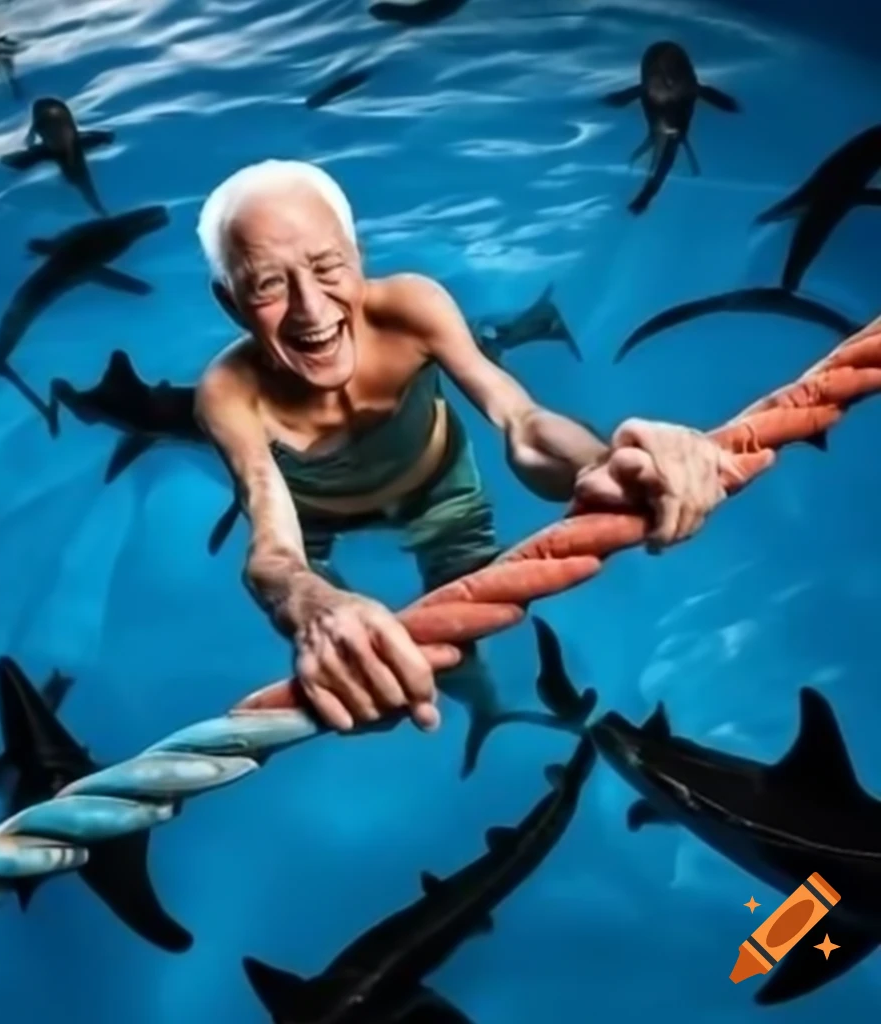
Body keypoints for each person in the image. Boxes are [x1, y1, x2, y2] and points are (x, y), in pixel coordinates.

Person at [193, 159, 746, 773]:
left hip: (441, 493)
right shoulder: (229, 391)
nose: (311, 310)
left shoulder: (412, 308)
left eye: (327, 268)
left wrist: (605, 463)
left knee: (462, 639)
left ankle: (483, 705)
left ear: (357, 255)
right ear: (230, 302)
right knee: (355, 653)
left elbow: (522, 421)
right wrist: (312, 607)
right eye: (268, 285)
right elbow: (273, 544)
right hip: (314, 517)